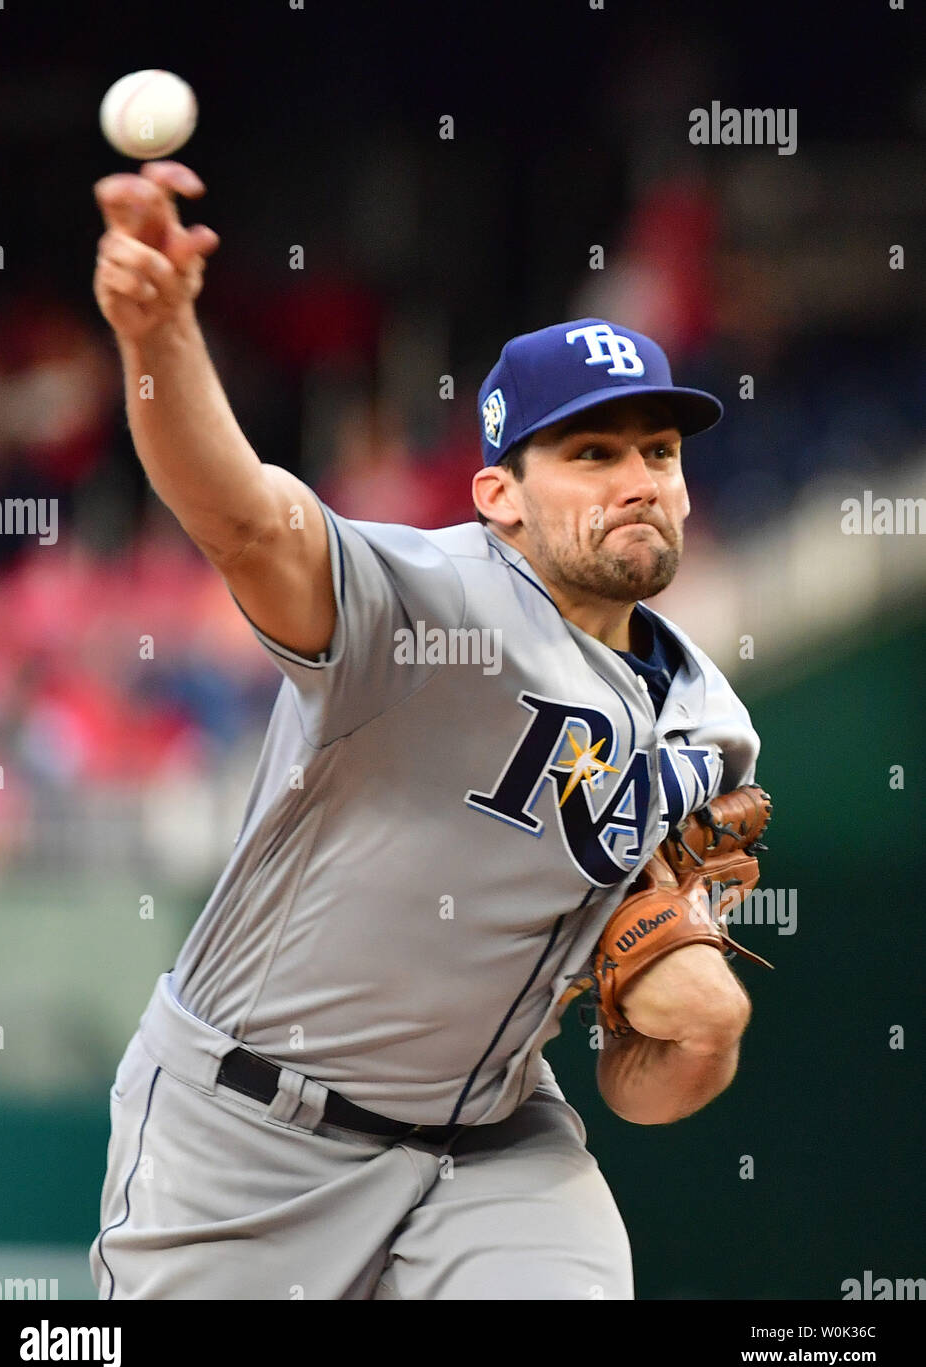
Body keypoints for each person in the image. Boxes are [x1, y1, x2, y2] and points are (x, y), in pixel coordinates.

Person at [89, 161, 759, 1301]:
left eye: (658, 452)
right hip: (247, 1133)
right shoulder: (427, 603)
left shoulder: (708, 727)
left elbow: (642, 1089)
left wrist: (694, 1034)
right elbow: (243, 518)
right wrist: (160, 339)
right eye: (591, 455)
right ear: (499, 495)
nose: (638, 479)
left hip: (492, 1145)